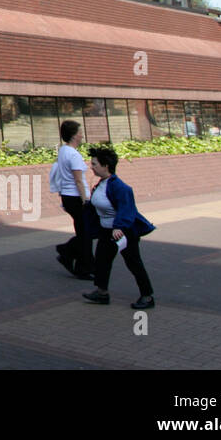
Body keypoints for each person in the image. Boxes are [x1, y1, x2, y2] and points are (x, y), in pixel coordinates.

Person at [82, 145, 157, 309]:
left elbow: (127, 209)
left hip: (123, 233)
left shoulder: (120, 187)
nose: (91, 167)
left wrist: (119, 227)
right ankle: (102, 292)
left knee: (133, 262)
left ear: (105, 166)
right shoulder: (101, 184)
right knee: (102, 260)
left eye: (94, 164)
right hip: (106, 232)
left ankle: (147, 296)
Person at [49, 120, 93, 280]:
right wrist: (85, 200)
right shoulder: (73, 155)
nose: (82, 135)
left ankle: (75, 259)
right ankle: (72, 256)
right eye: (80, 132)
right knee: (86, 233)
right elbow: (78, 180)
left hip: (67, 196)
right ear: (74, 135)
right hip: (75, 197)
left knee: (84, 231)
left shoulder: (63, 151)